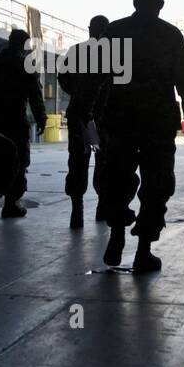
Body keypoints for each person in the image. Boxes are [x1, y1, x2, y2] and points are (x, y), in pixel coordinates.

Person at [100, 0, 184, 272]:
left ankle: (118, 234)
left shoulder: (115, 31)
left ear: (135, 0)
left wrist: (83, 115)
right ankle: (143, 250)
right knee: (156, 185)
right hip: (157, 125)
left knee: (117, 179)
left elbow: (91, 81)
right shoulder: (170, 36)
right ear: (160, 3)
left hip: (120, 121)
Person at [0, 29, 48, 218]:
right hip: (14, 123)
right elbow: (35, 96)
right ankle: (11, 205)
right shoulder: (25, 66)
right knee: (18, 163)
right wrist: (41, 118)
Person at [58, 14, 110, 229]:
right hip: (102, 118)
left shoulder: (76, 51)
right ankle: (102, 208)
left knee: (78, 161)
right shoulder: (113, 55)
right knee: (103, 162)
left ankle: (77, 211)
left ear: (89, 29)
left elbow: (63, 77)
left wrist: (77, 94)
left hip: (80, 116)